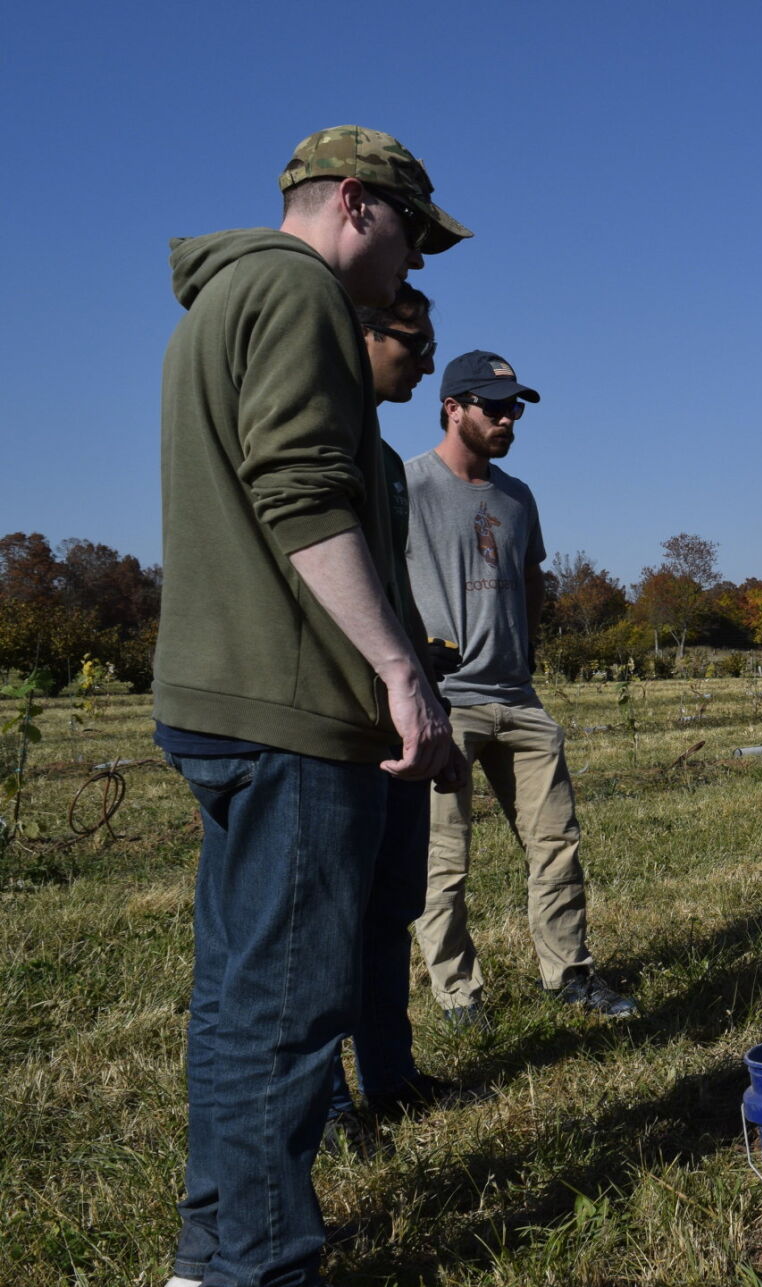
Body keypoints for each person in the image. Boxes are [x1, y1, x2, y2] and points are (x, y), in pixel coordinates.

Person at [154, 127, 472, 1287]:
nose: (414, 270)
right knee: (290, 1012)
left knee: (241, 1004)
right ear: (353, 202)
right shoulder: (298, 295)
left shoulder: (221, 300)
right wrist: (398, 669)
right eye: (410, 238)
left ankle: (214, 1250)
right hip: (287, 703)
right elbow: (300, 493)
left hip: (223, 692)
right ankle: (259, 1264)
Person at [405, 350, 639, 1025]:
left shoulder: (517, 495)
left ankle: (568, 974)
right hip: (446, 700)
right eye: (493, 405)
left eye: (515, 406)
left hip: (517, 696)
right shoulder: (408, 486)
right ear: (452, 406)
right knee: (444, 861)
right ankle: (459, 996)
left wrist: (524, 646)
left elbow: (533, 579)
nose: (509, 417)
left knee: (556, 842)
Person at [321, 285, 483, 1153]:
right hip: (334, 719)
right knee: (328, 926)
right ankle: (332, 1105)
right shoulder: (319, 439)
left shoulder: (380, 458)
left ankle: (390, 1075)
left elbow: (383, 587)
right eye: (412, 340)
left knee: (390, 909)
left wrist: (421, 666)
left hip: (400, 713)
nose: (425, 360)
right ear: (358, 332)